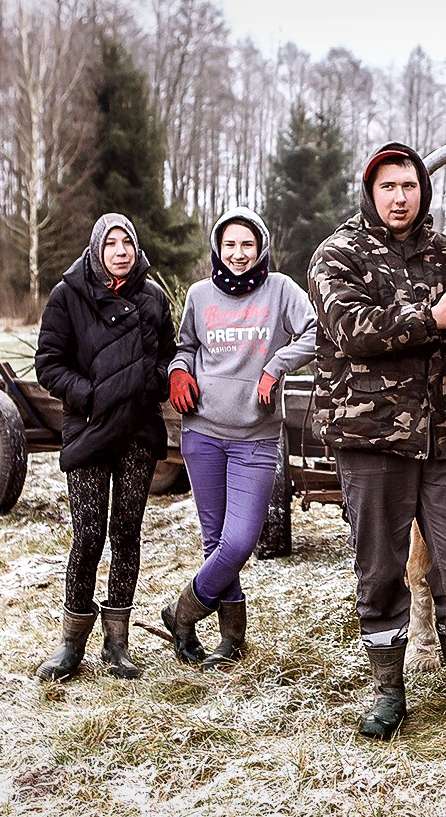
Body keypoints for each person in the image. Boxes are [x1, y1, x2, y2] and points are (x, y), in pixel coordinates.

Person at [307, 142, 446, 740]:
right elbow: (353, 331)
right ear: (370, 192)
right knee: (381, 568)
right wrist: (437, 318)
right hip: (371, 438)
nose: (399, 197)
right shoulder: (338, 254)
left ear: (424, 192)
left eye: (409, 186)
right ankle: (387, 689)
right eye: (387, 187)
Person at [160, 207, 317, 669]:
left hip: (256, 437)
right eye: (229, 244)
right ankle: (232, 640)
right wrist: (178, 370)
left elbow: (314, 332)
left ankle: (182, 613)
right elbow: (186, 345)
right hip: (203, 433)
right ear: (217, 248)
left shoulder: (281, 290)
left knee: (240, 541)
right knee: (215, 542)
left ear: (261, 246)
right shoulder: (200, 294)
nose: (238, 253)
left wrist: (276, 365)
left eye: (247, 244)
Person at [34, 213, 175, 682]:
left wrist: (148, 385)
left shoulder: (153, 298)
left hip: (137, 432)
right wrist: (91, 395)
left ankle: (117, 645)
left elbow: (168, 357)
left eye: (127, 242)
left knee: (126, 535)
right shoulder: (68, 295)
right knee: (89, 535)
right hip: (91, 431)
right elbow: (48, 364)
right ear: (96, 248)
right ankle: (71, 644)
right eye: (111, 243)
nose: (120, 251)